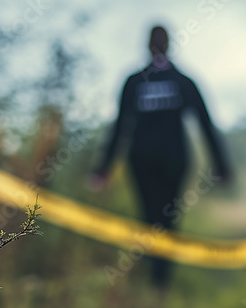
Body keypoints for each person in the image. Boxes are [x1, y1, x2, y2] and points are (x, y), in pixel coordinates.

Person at [93, 25, 232, 287]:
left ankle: (157, 281)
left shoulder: (138, 81)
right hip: (165, 162)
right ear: (169, 45)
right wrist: (221, 166)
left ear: (148, 46)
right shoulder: (177, 81)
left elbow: (120, 127)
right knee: (165, 220)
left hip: (155, 162)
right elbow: (205, 124)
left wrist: (102, 170)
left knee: (151, 218)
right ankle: (159, 281)